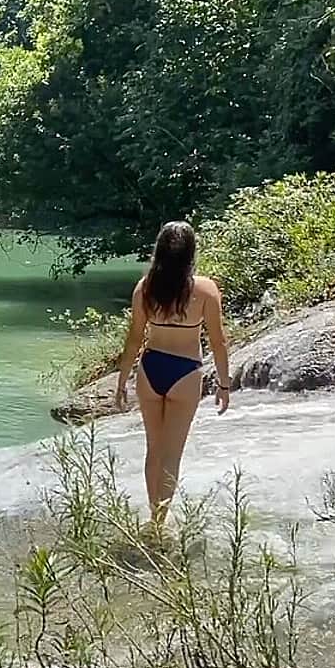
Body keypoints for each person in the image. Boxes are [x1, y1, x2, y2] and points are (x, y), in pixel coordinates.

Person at [115, 221, 230, 532]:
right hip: (185, 372)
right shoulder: (205, 289)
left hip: (150, 368)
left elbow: (134, 338)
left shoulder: (145, 287)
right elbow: (218, 341)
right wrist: (224, 383)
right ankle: (160, 520)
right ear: (191, 252)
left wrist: (122, 380)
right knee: (172, 453)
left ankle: (152, 519)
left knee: (154, 449)